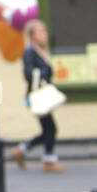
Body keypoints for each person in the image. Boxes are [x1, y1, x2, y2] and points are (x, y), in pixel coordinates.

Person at [11, 20, 63, 173]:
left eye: (45, 31)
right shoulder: (29, 52)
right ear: (32, 36)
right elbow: (29, 74)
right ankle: (47, 160)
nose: (44, 35)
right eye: (40, 32)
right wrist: (43, 75)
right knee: (51, 129)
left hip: (42, 96)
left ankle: (22, 150)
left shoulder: (40, 51)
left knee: (49, 129)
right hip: (37, 97)